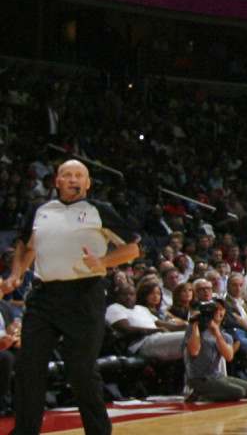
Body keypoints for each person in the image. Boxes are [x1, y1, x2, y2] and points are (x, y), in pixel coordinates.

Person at [2, 160, 142, 435]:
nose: (73, 179)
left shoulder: (100, 210)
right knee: (29, 366)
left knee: (80, 370)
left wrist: (103, 260)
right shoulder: (40, 210)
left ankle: (98, 431)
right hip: (43, 296)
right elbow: (25, 245)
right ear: (57, 181)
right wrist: (16, 274)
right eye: (67, 175)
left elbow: (131, 249)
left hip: (84, 295)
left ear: (87, 183)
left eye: (79, 175)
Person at [183, 299, 247, 403]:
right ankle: (200, 395)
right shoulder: (195, 331)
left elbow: (228, 356)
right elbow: (193, 351)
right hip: (199, 378)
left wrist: (216, 332)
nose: (219, 313)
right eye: (215, 311)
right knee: (238, 392)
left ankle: (206, 394)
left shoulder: (225, 336)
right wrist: (195, 325)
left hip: (216, 376)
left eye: (221, 310)